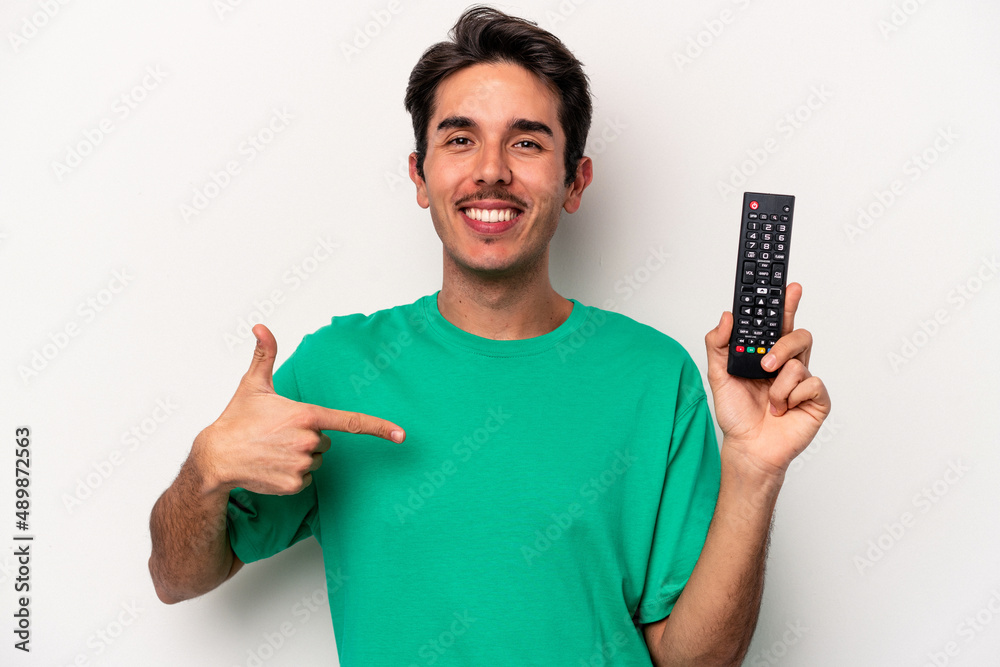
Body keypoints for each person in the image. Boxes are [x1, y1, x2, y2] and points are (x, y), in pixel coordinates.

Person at [147, 6, 830, 666]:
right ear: (420, 176)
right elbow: (176, 578)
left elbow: (696, 660)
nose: (492, 169)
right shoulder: (335, 370)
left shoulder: (658, 375)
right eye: (459, 138)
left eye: (527, 141)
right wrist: (204, 469)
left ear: (575, 181)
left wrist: (754, 469)